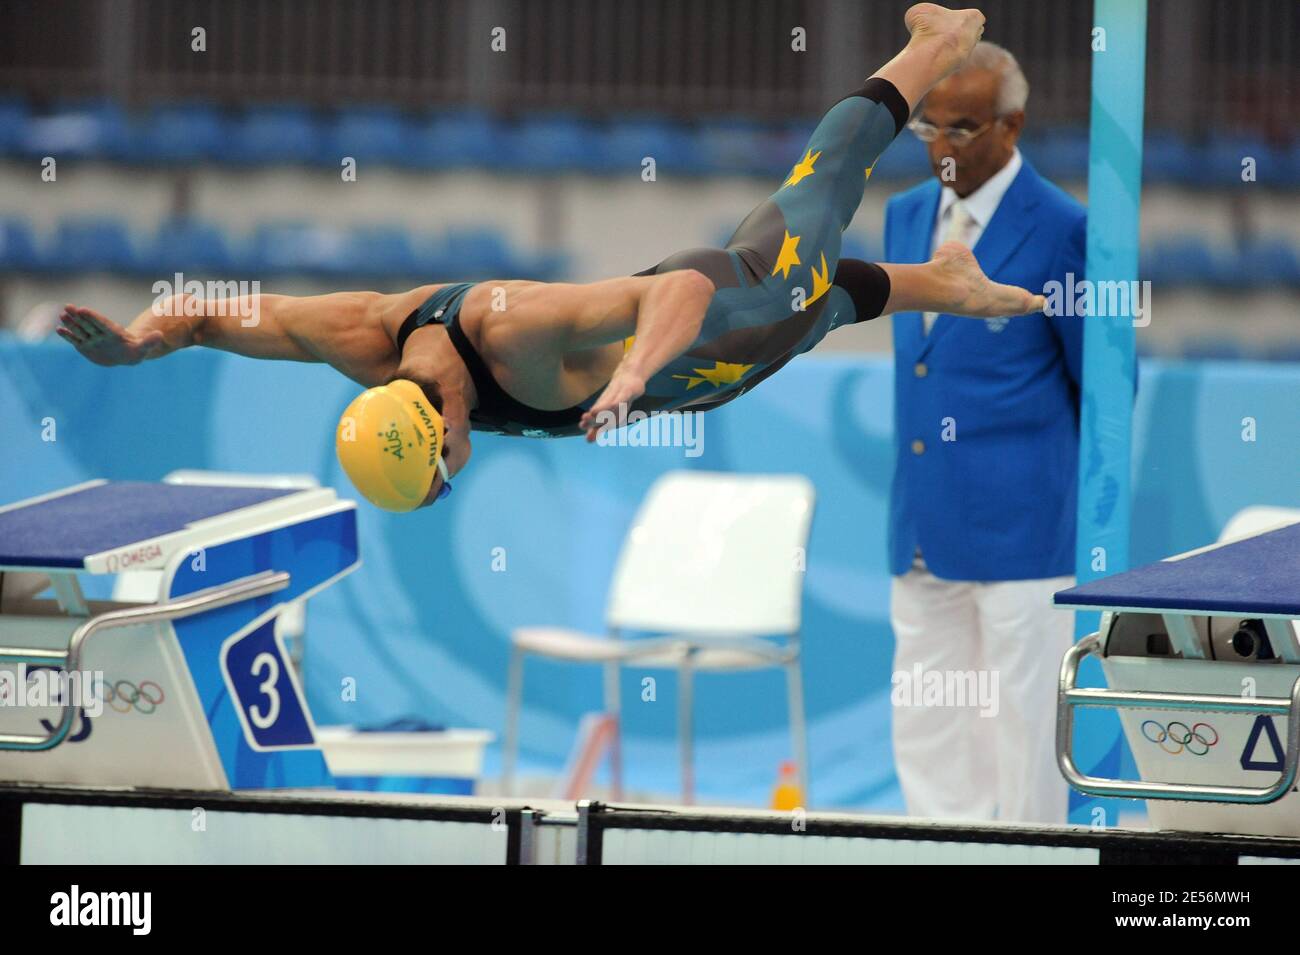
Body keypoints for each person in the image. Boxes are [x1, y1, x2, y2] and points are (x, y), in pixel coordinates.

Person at [59, 4, 1041, 513]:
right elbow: (218, 312)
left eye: (444, 478)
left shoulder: (514, 334)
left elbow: (686, 288)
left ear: (441, 438)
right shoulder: (362, 341)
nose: (458, 475)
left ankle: (928, 42)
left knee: (802, 236)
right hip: (668, 366)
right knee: (784, 333)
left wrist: (630, 373)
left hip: (689, 311)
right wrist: (146, 340)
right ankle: (937, 283)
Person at [883, 41, 1087, 823]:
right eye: (927, 127)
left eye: (962, 129)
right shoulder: (903, 215)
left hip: (1026, 528)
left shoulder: (1066, 228)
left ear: (1013, 125)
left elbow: (1103, 385)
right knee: (929, 724)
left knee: (1028, 728)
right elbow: (927, 363)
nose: (941, 147)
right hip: (923, 521)